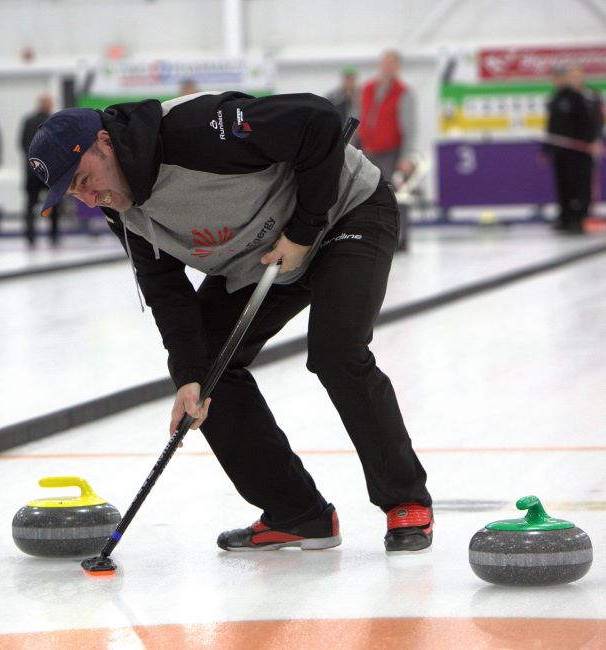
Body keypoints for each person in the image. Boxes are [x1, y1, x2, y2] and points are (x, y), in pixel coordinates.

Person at [28, 93, 433, 559]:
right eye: (70, 193)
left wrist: (303, 231)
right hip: (262, 260)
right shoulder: (120, 207)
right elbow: (164, 290)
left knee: (336, 350)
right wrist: (188, 375)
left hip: (345, 212)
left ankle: (404, 499)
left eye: (82, 180)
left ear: (105, 143)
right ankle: (297, 513)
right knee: (208, 375)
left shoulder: (196, 130)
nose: (86, 197)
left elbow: (318, 121)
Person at [543, 65, 601, 234]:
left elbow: (595, 122)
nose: (574, 80)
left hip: (582, 150)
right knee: (564, 185)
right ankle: (565, 217)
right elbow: (552, 125)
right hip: (562, 149)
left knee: (581, 185)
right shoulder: (559, 97)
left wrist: (594, 141)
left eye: (578, 76)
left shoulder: (590, 96)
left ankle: (579, 217)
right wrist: (546, 148)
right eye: (571, 76)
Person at [357, 50, 416, 183]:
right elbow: (357, 119)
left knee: (386, 191)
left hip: (390, 155)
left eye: (392, 64)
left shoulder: (403, 93)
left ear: (398, 68)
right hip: (366, 151)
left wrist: (405, 157)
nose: (387, 67)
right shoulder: (367, 89)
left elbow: (409, 129)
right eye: (385, 63)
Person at [20, 92, 59, 246]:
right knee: (52, 203)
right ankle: (52, 234)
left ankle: (31, 235)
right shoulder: (55, 121)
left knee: (31, 203)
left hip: (32, 168)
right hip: (49, 170)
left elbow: (22, 144)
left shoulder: (29, 121)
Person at [326, 65, 359, 141]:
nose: (349, 81)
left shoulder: (362, 97)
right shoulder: (333, 97)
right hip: (338, 138)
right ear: (343, 79)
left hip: (357, 140)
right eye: (347, 77)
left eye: (352, 78)